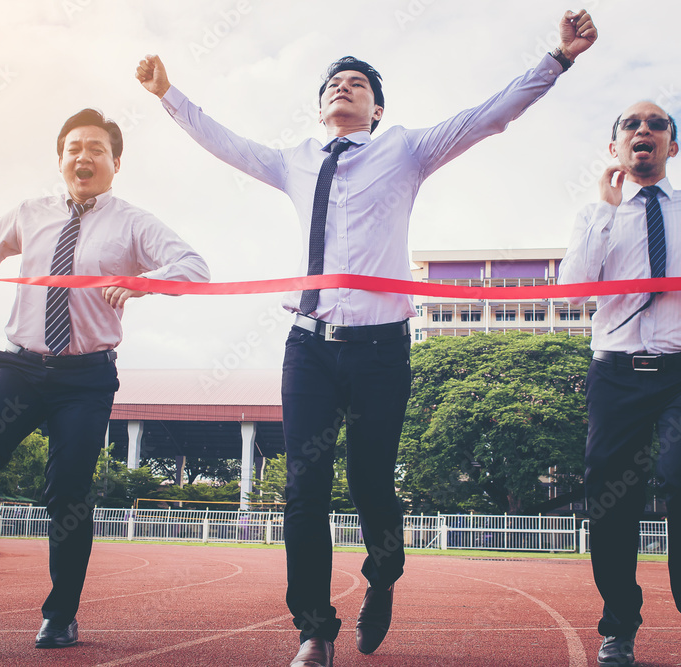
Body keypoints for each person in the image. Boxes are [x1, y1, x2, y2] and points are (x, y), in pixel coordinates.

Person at [137, 10, 597, 667]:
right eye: (333, 82)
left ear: (377, 107)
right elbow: (227, 142)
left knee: (371, 482)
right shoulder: (294, 161)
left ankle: (383, 577)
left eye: (357, 83)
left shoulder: (406, 149)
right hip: (309, 345)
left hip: (382, 348)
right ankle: (314, 628)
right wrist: (167, 95)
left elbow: (490, 113)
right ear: (320, 105)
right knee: (304, 485)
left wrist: (560, 57)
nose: (343, 87)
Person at [0, 108, 210, 649]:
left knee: (68, 490)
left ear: (115, 163)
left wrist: (144, 282)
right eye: (74, 147)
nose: (84, 156)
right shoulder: (31, 213)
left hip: (86, 377)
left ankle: (61, 613)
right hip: (22, 367)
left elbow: (194, 267)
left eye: (97, 149)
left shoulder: (133, 222)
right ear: (60, 159)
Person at [558, 101, 681, 667]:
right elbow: (573, 290)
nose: (644, 131)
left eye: (657, 125)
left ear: (673, 146)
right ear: (615, 148)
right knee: (611, 500)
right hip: (617, 372)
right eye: (630, 126)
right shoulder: (597, 215)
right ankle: (619, 627)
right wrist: (605, 210)